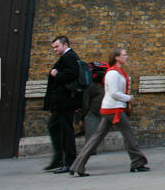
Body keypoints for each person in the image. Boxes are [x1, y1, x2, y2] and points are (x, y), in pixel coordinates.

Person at [70, 48, 149, 176]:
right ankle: (137, 162)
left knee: (96, 138)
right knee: (129, 135)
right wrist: (129, 98)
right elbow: (113, 93)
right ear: (116, 58)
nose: (126, 57)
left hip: (111, 108)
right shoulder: (112, 73)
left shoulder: (118, 72)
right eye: (124, 55)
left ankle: (77, 165)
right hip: (113, 109)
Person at [42, 35, 83, 173]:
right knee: (53, 126)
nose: (55, 50)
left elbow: (73, 74)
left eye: (57, 46)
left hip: (65, 102)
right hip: (62, 102)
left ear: (65, 45)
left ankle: (70, 161)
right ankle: (59, 158)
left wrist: (56, 74)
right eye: (53, 47)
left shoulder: (69, 56)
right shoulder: (67, 57)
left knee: (66, 131)